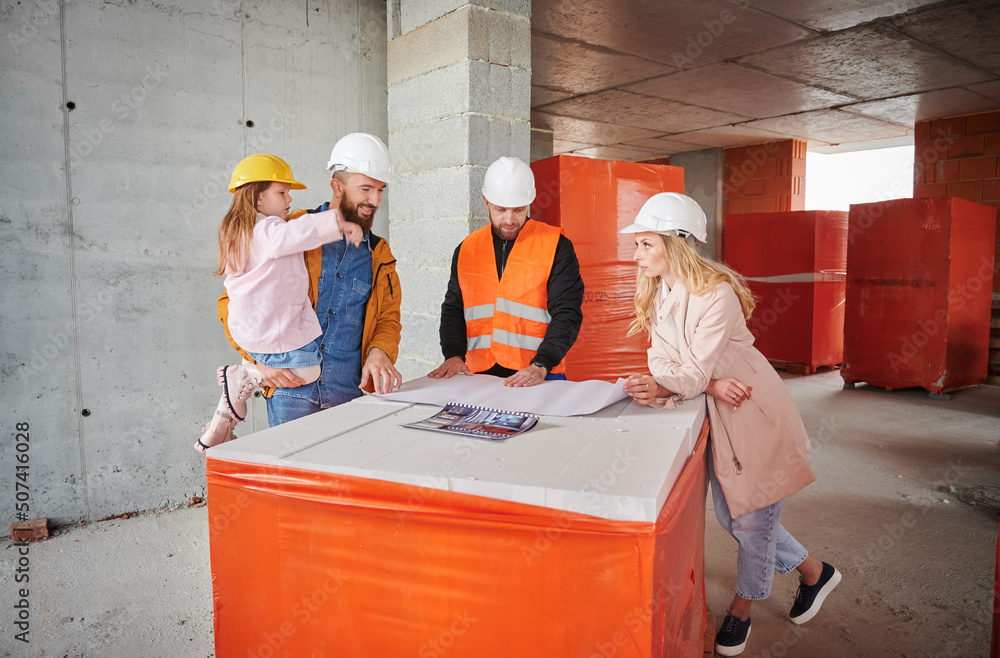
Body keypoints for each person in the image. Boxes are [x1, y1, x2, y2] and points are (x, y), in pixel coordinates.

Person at [619, 193, 841, 657]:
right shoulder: (659, 291)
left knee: (753, 519)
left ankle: (743, 608)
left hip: (752, 411)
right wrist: (707, 384)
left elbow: (689, 374)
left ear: (675, 243)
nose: (635, 254)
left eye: (645, 244)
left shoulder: (715, 294)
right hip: (719, 407)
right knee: (731, 514)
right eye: (637, 244)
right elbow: (662, 359)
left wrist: (682, 383)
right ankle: (815, 572)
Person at [217, 133, 403, 428]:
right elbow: (235, 302)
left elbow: (388, 318)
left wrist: (380, 352)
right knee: (290, 461)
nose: (375, 200)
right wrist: (258, 362)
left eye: (381, 190)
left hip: (349, 392)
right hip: (290, 388)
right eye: (366, 189)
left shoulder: (380, 254)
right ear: (337, 186)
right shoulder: (288, 232)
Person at [196, 154, 362, 453]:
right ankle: (246, 375)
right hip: (269, 327)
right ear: (257, 197)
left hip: (253, 326)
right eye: (282, 192)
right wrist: (339, 224)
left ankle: (223, 418)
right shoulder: (266, 230)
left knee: (298, 372)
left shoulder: (241, 232)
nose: (289, 199)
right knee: (308, 373)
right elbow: (296, 233)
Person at [429, 156, 584, 387]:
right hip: (479, 375)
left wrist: (542, 363)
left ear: (529, 203)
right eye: (501, 209)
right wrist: (453, 355)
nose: (510, 219)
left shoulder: (556, 246)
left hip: (539, 373)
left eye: (518, 209)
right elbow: (453, 309)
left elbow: (567, 312)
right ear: (486, 201)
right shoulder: (467, 249)